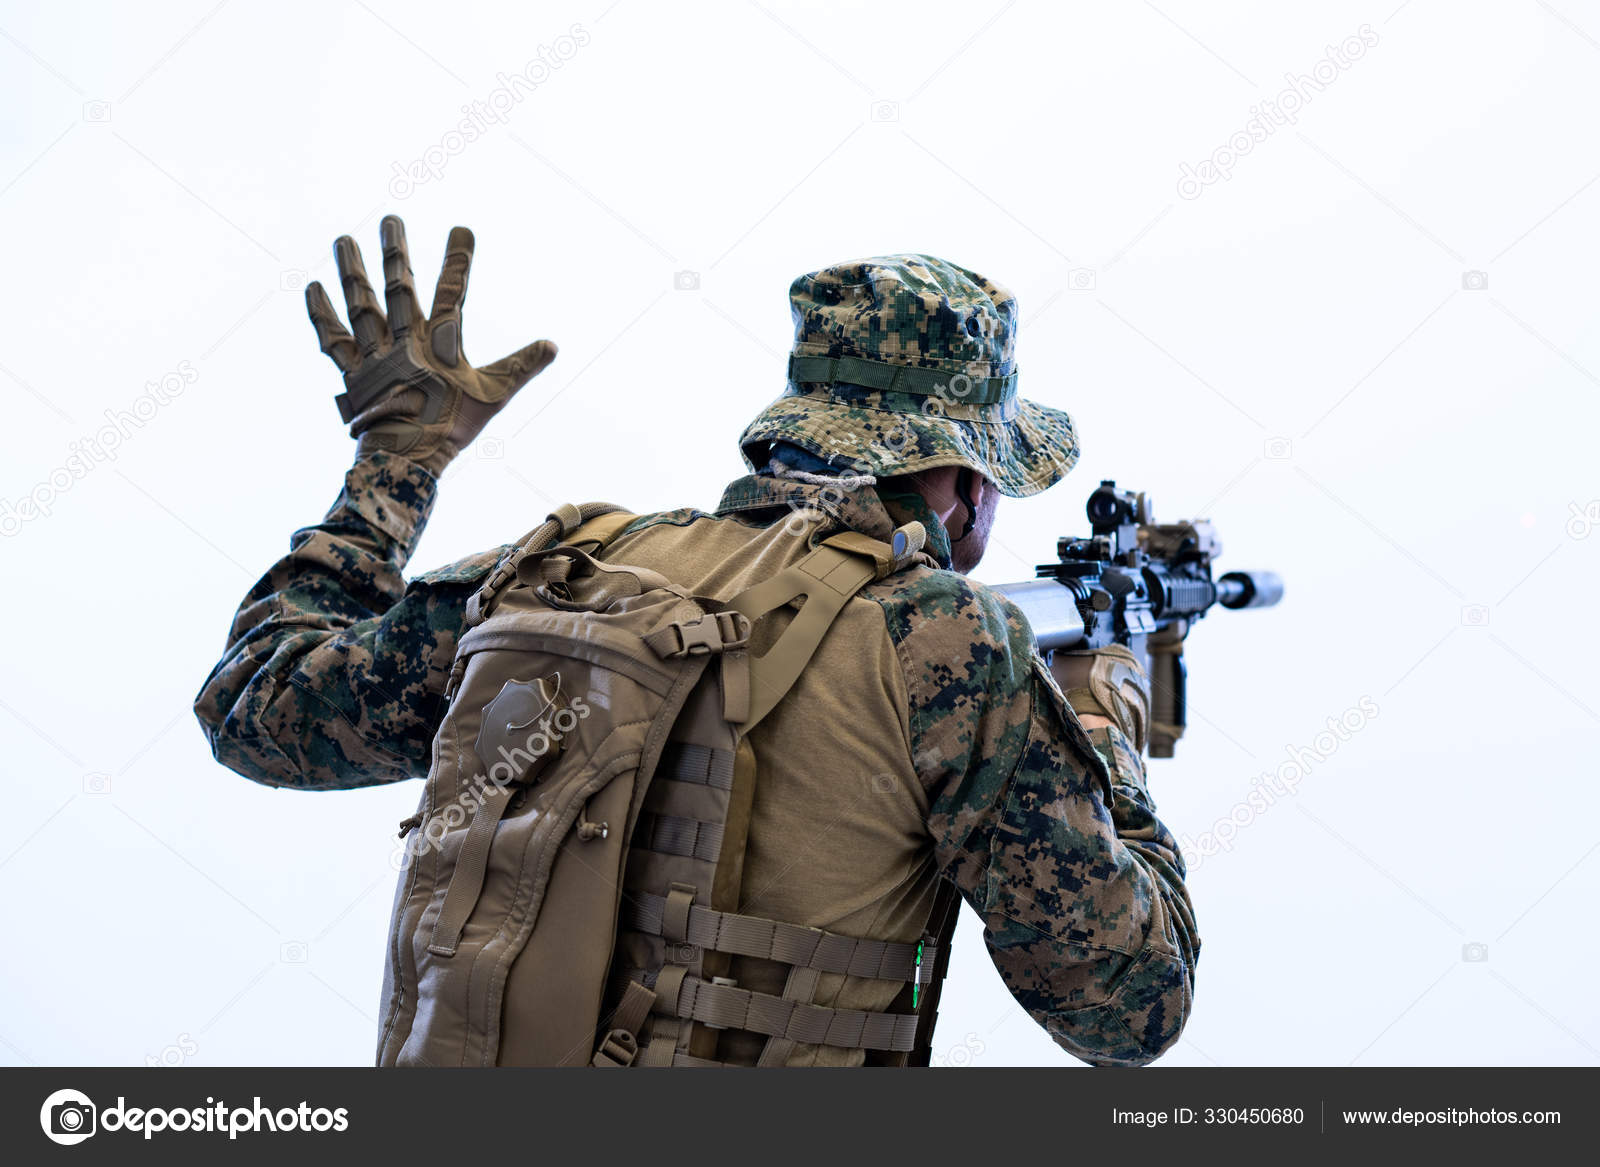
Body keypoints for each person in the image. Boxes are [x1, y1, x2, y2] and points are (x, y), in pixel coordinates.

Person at [194, 216, 1198, 1067]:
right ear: (970, 480)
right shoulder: (945, 641)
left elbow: (254, 710)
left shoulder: (562, 566)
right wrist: (1098, 719)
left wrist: (397, 459)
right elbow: (1125, 1005)